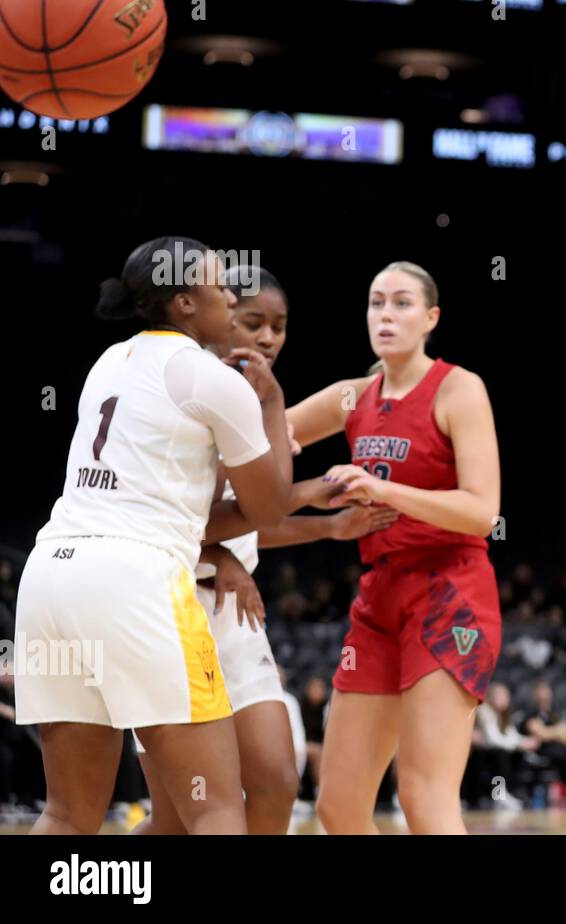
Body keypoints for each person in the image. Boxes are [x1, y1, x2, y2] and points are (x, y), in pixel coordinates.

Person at [13, 237, 305, 834]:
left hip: (51, 574)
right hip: (136, 583)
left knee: (67, 813)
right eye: (219, 285)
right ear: (184, 302)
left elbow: (176, 503)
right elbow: (268, 507)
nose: (229, 293)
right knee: (217, 809)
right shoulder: (212, 377)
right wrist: (271, 404)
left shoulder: (108, 362)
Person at [133, 265, 396, 835]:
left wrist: (327, 530)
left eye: (279, 325)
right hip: (169, 606)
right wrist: (222, 555)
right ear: (219, 316)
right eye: (254, 322)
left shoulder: (262, 406)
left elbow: (253, 525)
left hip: (233, 617)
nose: (269, 338)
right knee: (176, 818)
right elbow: (166, 517)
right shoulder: (187, 392)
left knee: (278, 778)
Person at [285, 261, 502, 834]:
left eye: (402, 303)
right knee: (338, 805)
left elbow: (482, 510)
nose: (386, 314)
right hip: (379, 594)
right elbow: (263, 440)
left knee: (424, 798)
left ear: (430, 317)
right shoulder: (351, 396)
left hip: (450, 591)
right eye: (376, 302)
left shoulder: (459, 388)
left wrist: (384, 490)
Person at [472, 682, 538, 810]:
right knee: (501, 755)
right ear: (491, 697)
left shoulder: (503, 715)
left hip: (496, 751)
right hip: (481, 754)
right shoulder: (484, 711)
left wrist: (526, 741)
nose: (504, 699)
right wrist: (519, 744)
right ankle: (499, 795)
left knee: (516, 755)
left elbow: (511, 735)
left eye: (506, 696)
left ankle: (511, 792)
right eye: (500, 695)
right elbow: (493, 739)